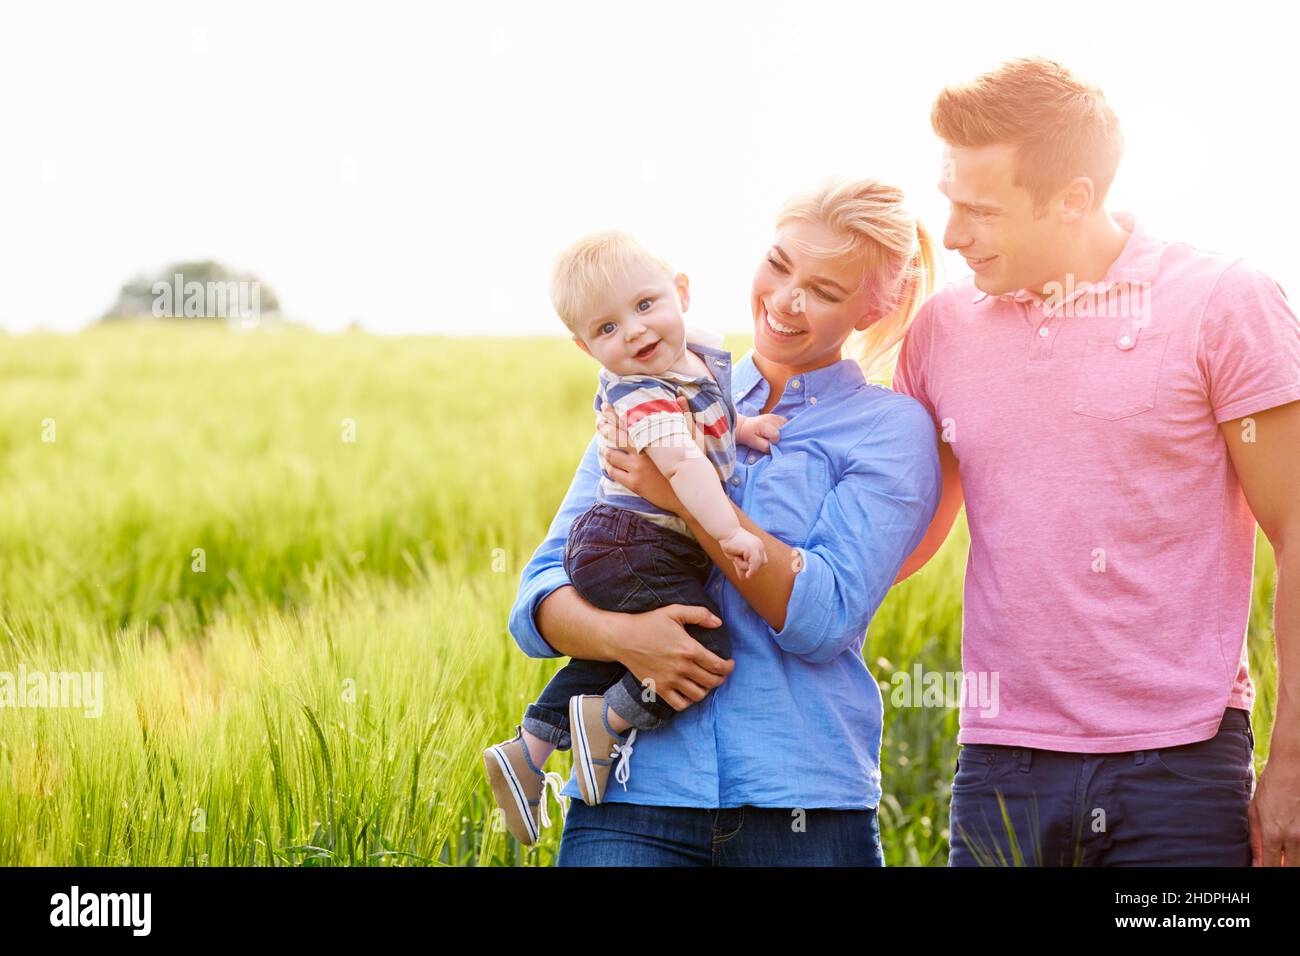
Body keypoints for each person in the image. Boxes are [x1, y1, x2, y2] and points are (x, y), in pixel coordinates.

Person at [892, 56, 1300, 866]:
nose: (951, 235)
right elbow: (898, 537)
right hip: (1000, 761)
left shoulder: (1224, 303)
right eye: (948, 202)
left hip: (1180, 767)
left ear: (1074, 199)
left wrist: (1292, 757)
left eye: (979, 210)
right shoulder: (941, 331)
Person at [508, 178, 942, 865]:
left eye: (825, 291)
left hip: (801, 806)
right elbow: (537, 597)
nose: (785, 301)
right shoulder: (648, 389)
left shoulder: (889, 432)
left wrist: (685, 496)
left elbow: (822, 616)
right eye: (778, 264)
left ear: (874, 307)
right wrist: (628, 639)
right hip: (632, 798)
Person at [483, 231, 784, 845]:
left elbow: (708, 420)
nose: (636, 333)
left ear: (681, 292)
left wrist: (742, 426)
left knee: (613, 650)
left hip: (622, 544)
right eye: (608, 329)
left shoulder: (691, 361)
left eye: (646, 307)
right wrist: (728, 533)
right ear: (584, 346)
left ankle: (531, 747)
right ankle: (609, 718)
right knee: (703, 641)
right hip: (630, 542)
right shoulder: (641, 390)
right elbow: (682, 467)